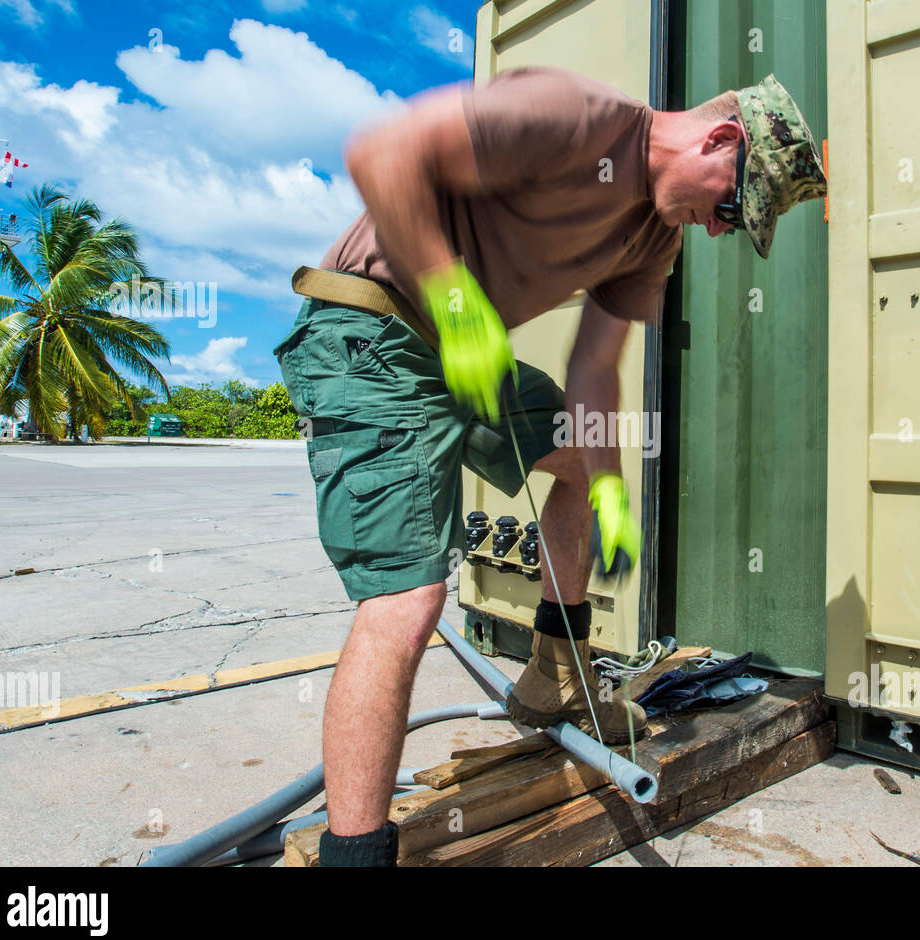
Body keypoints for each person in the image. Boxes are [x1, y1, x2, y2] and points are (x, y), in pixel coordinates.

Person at [274, 65, 826, 866]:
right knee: (409, 595)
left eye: (734, 226)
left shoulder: (654, 239)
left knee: (580, 463)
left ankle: (555, 674)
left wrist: (605, 487)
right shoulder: (577, 118)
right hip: (370, 331)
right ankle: (354, 854)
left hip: (462, 351)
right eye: (735, 205)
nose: (719, 229)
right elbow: (382, 153)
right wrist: (455, 298)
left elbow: (593, 374)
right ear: (722, 137)